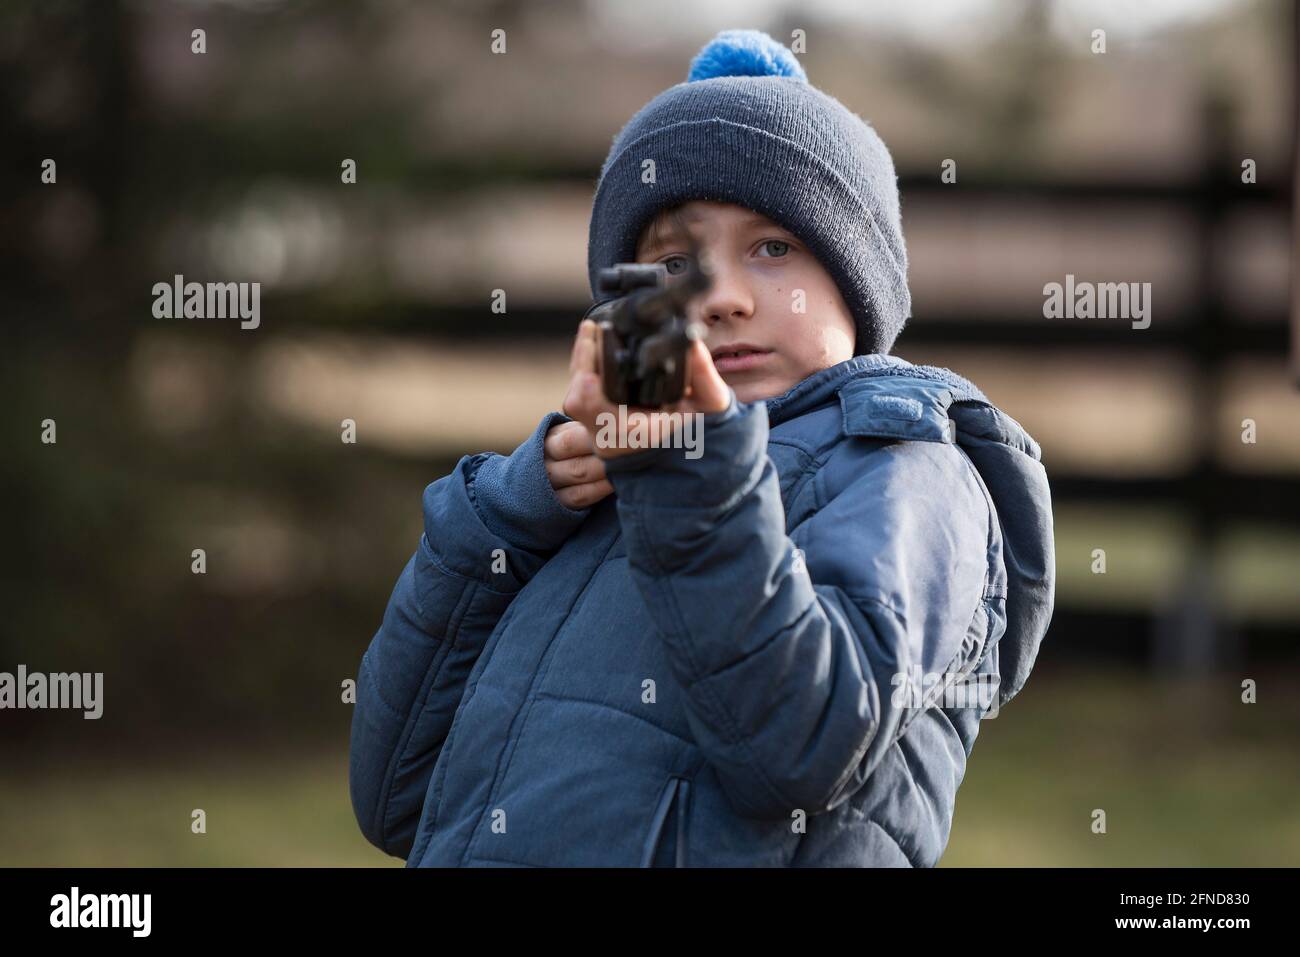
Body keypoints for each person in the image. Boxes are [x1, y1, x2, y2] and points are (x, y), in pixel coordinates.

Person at [349, 29, 1055, 867]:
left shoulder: (907, 467)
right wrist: (502, 519)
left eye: (773, 248)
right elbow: (395, 793)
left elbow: (807, 743)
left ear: (856, 281)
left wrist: (686, 470)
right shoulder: (601, 488)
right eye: (675, 260)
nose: (717, 297)